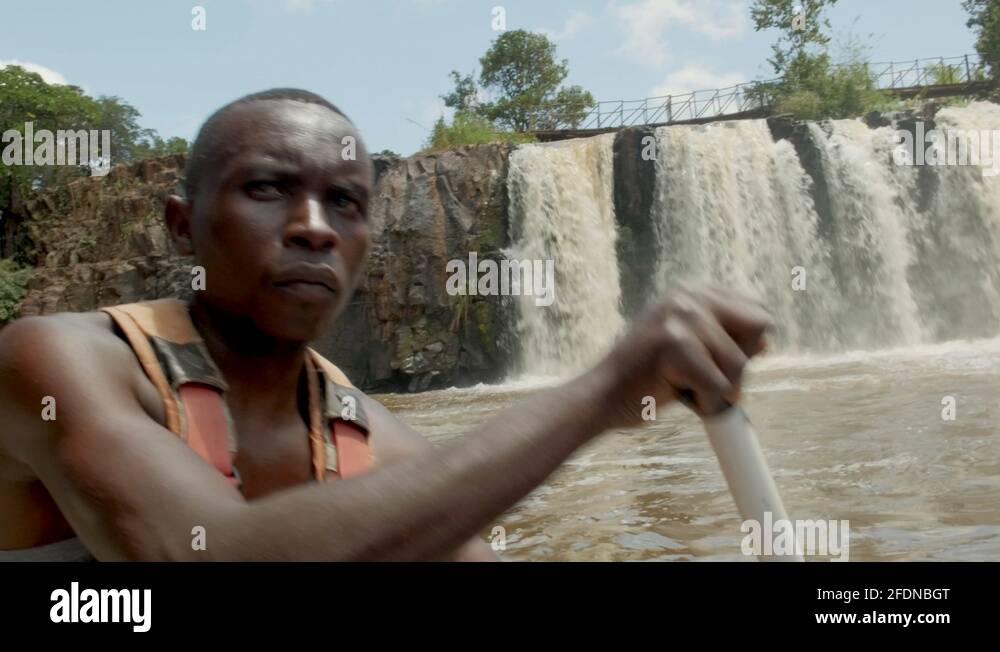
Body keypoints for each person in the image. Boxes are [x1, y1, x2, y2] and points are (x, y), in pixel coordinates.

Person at [0, 89, 770, 561]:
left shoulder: (373, 442)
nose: (314, 228)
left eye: (346, 203)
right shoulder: (56, 362)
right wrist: (603, 391)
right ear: (181, 225)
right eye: (268, 189)